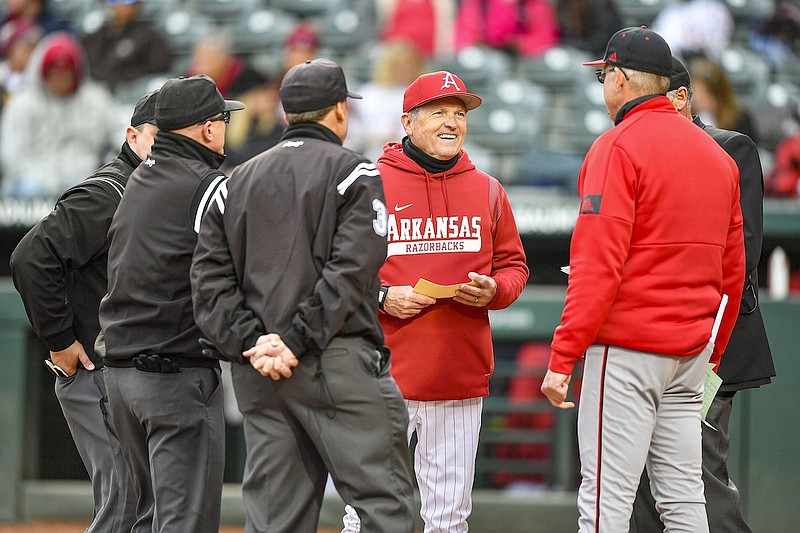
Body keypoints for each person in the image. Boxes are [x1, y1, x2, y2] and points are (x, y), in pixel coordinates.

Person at [190, 58, 416, 533]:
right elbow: (350, 273)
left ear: (286, 113)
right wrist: (293, 340)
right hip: (334, 362)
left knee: (275, 519)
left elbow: (209, 284)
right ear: (339, 110)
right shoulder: (354, 173)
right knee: (385, 508)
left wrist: (256, 343)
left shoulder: (233, 182)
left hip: (260, 373)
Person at [540, 26, 746, 533]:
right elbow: (733, 274)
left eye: (604, 75)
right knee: (683, 502)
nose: (603, 86)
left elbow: (597, 265)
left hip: (628, 350)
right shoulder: (717, 156)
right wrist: (711, 354)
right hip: (688, 355)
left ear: (621, 80)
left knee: (605, 505)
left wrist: (563, 357)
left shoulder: (617, 146)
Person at [341, 69, 530, 532]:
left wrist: (495, 290)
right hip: (382, 372)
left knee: (447, 517)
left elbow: (515, 268)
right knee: (365, 513)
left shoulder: (487, 188)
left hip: (457, 374)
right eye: (439, 112)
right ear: (408, 122)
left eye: (459, 114)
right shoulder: (370, 184)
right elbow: (334, 271)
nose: (452, 122)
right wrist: (383, 296)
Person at [630, 56, 776, 533]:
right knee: (641, 480)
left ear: (679, 98)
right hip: (648, 340)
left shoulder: (729, 148)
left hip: (712, 338)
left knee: (696, 471)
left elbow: (742, 252)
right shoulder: (632, 150)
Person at [98, 74, 244, 533]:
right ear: (206, 129)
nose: (225, 128)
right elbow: (237, 276)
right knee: (186, 524)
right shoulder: (207, 184)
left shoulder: (138, 177)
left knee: (149, 521)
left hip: (121, 377)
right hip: (173, 377)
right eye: (222, 119)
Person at [9, 88, 158, 533]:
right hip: (96, 374)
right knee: (125, 504)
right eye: (162, 135)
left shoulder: (147, 191)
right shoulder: (109, 192)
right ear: (133, 136)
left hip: (123, 374)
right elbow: (29, 258)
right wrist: (60, 341)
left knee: (138, 502)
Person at [0, 32, 126, 197]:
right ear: (43, 73)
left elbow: (120, 131)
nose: (61, 79)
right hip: (32, 180)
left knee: (91, 189)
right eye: (55, 73)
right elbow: (12, 154)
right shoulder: (22, 105)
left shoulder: (96, 100)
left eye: (66, 73)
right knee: (34, 188)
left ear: (76, 73)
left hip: (82, 174)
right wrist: (47, 180)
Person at [82, 0, 171, 93]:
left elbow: (159, 66)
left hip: (131, 93)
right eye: (113, 1)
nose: (120, 5)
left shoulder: (149, 36)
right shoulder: (96, 36)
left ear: (136, 5)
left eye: (127, 1)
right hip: (98, 91)